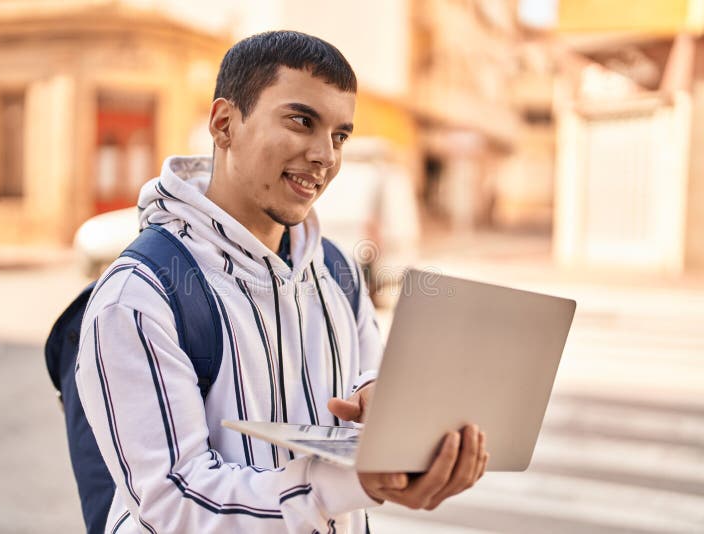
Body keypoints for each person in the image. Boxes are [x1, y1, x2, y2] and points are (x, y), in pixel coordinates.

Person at [76, 30, 489, 534]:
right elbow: (174, 502)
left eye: (340, 135)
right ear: (224, 123)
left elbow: (364, 378)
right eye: (301, 121)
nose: (326, 156)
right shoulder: (139, 296)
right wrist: (351, 483)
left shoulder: (337, 270)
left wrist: (387, 414)